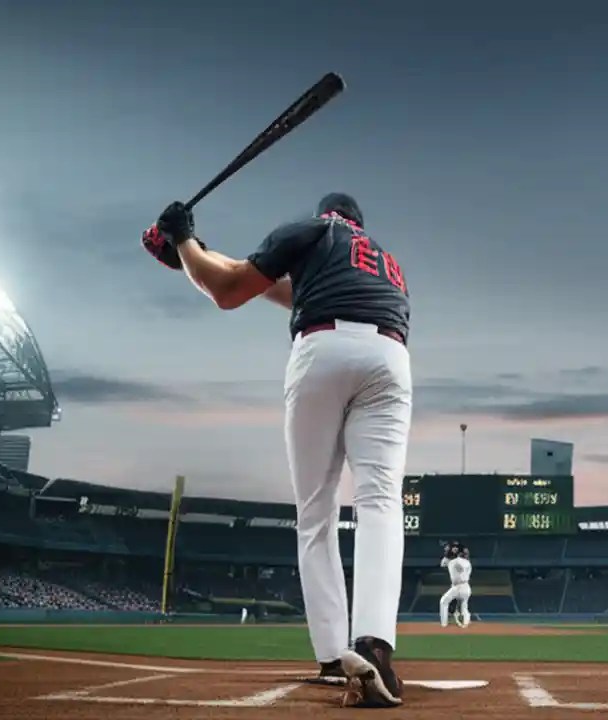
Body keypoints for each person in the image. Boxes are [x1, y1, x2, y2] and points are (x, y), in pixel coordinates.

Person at [142, 194, 411, 708]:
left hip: (324, 351)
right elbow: (283, 289)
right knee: (380, 503)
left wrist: (181, 240)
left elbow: (228, 289)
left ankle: (334, 655)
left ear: (327, 212)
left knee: (316, 511)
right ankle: (374, 646)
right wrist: (193, 251)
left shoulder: (311, 230)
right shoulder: (381, 260)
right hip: (391, 359)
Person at [439, 542, 472, 628]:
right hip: (466, 586)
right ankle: (466, 623)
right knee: (464, 605)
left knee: (443, 602)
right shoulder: (468, 563)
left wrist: (447, 552)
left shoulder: (452, 562)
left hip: (457, 587)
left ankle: (444, 623)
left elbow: (443, 564)